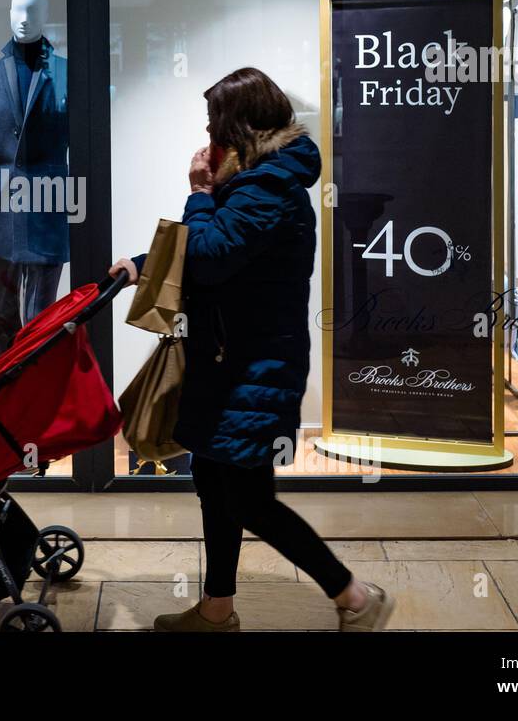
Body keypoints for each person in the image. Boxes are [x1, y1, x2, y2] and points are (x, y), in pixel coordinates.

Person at [110, 68, 394, 632]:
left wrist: (197, 193)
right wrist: (140, 266)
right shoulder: (255, 184)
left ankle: (354, 596)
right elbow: (210, 251)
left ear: (238, 128)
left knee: (249, 498)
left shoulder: (269, 187)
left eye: (215, 123)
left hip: (253, 369)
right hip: (229, 362)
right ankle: (217, 609)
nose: (208, 134)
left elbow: (212, 256)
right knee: (215, 485)